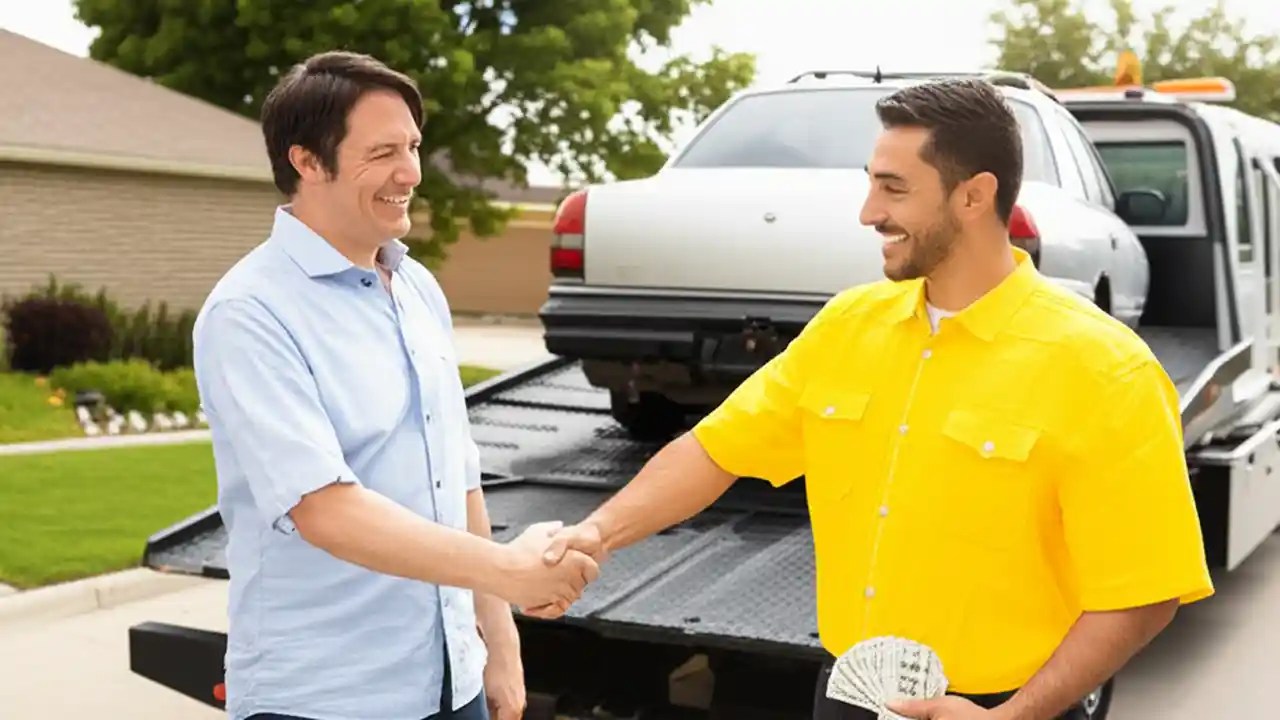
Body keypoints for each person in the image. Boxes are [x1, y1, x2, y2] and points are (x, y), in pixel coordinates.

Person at [535, 78, 1214, 720]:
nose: (868, 213)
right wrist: (599, 533)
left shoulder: (1104, 368)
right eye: (871, 184)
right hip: (849, 692)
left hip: (1002, 703)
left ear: (974, 197)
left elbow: (1145, 592)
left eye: (894, 188)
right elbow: (715, 451)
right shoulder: (847, 326)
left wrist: (1012, 715)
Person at [193, 50, 598, 720]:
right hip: (326, 698)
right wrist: (511, 570)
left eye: (412, 146)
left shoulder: (415, 287)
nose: (410, 172)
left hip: (451, 681)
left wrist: (499, 640)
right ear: (307, 161)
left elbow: (456, 473)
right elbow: (325, 510)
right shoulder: (251, 312)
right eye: (382, 152)